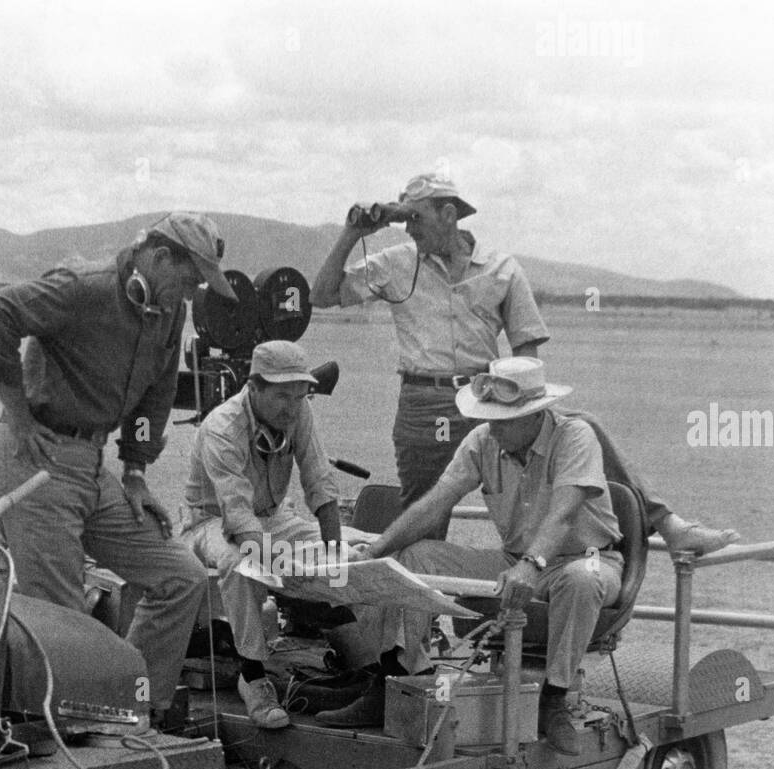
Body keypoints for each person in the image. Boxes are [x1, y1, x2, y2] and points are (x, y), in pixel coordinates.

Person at [310, 169, 736, 555]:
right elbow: (322, 295)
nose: (408, 230)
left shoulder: (501, 270)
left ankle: (666, 524)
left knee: (584, 430)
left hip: (488, 397)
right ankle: (413, 634)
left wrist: (521, 407)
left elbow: (527, 353)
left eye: (415, 219)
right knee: (426, 514)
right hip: (424, 404)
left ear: (447, 214)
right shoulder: (396, 263)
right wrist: (353, 232)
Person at [0, 212, 233, 724]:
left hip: (91, 466)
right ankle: (63, 729)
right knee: (63, 618)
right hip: (35, 462)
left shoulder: (168, 311)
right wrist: (19, 415)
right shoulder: (82, 288)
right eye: (187, 278)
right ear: (157, 258)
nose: (191, 291)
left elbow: (155, 395)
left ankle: (132, 709)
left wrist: (135, 471)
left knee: (183, 577)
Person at [317, 357, 622, 756]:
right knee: (417, 556)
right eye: (488, 417)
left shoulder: (575, 436)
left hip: (588, 558)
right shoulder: (483, 440)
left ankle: (554, 698)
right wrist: (374, 553)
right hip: (516, 559)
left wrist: (531, 565)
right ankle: (393, 677)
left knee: (582, 578)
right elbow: (434, 504)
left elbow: (564, 512)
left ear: (535, 414)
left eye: (502, 419)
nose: (492, 426)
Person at [182, 340, 367, 728]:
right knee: (241, 562)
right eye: (282, 395)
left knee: (361, 547)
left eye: (299, 395)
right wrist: (290, 568)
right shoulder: (221, 427)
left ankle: (373, 664)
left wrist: (333, 553)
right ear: (254, 388)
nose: (291, 406)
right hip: (210, 521)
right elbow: (237, 518)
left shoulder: (300, 412)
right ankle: (252, 676)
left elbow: (319, 480)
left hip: (272, 517)